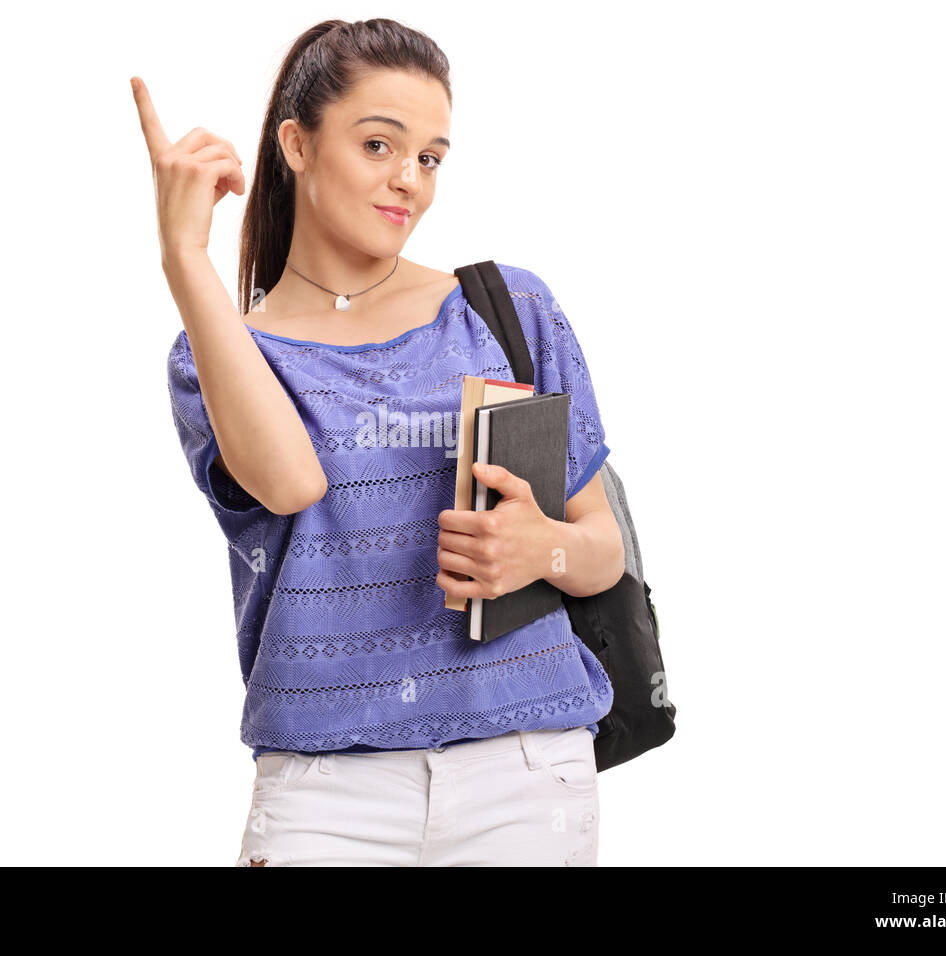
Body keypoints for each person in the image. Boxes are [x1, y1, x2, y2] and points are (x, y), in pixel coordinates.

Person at [133, 17, 624, 866]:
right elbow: (290, 483)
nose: (409, 181)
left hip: (525, 768)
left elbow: (602, 550)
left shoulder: (506, 309)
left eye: (430, 157)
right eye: (378, 145)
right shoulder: (218, 353)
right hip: (327, 793)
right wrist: (185, 258)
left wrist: (540, 551)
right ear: (297, 143)